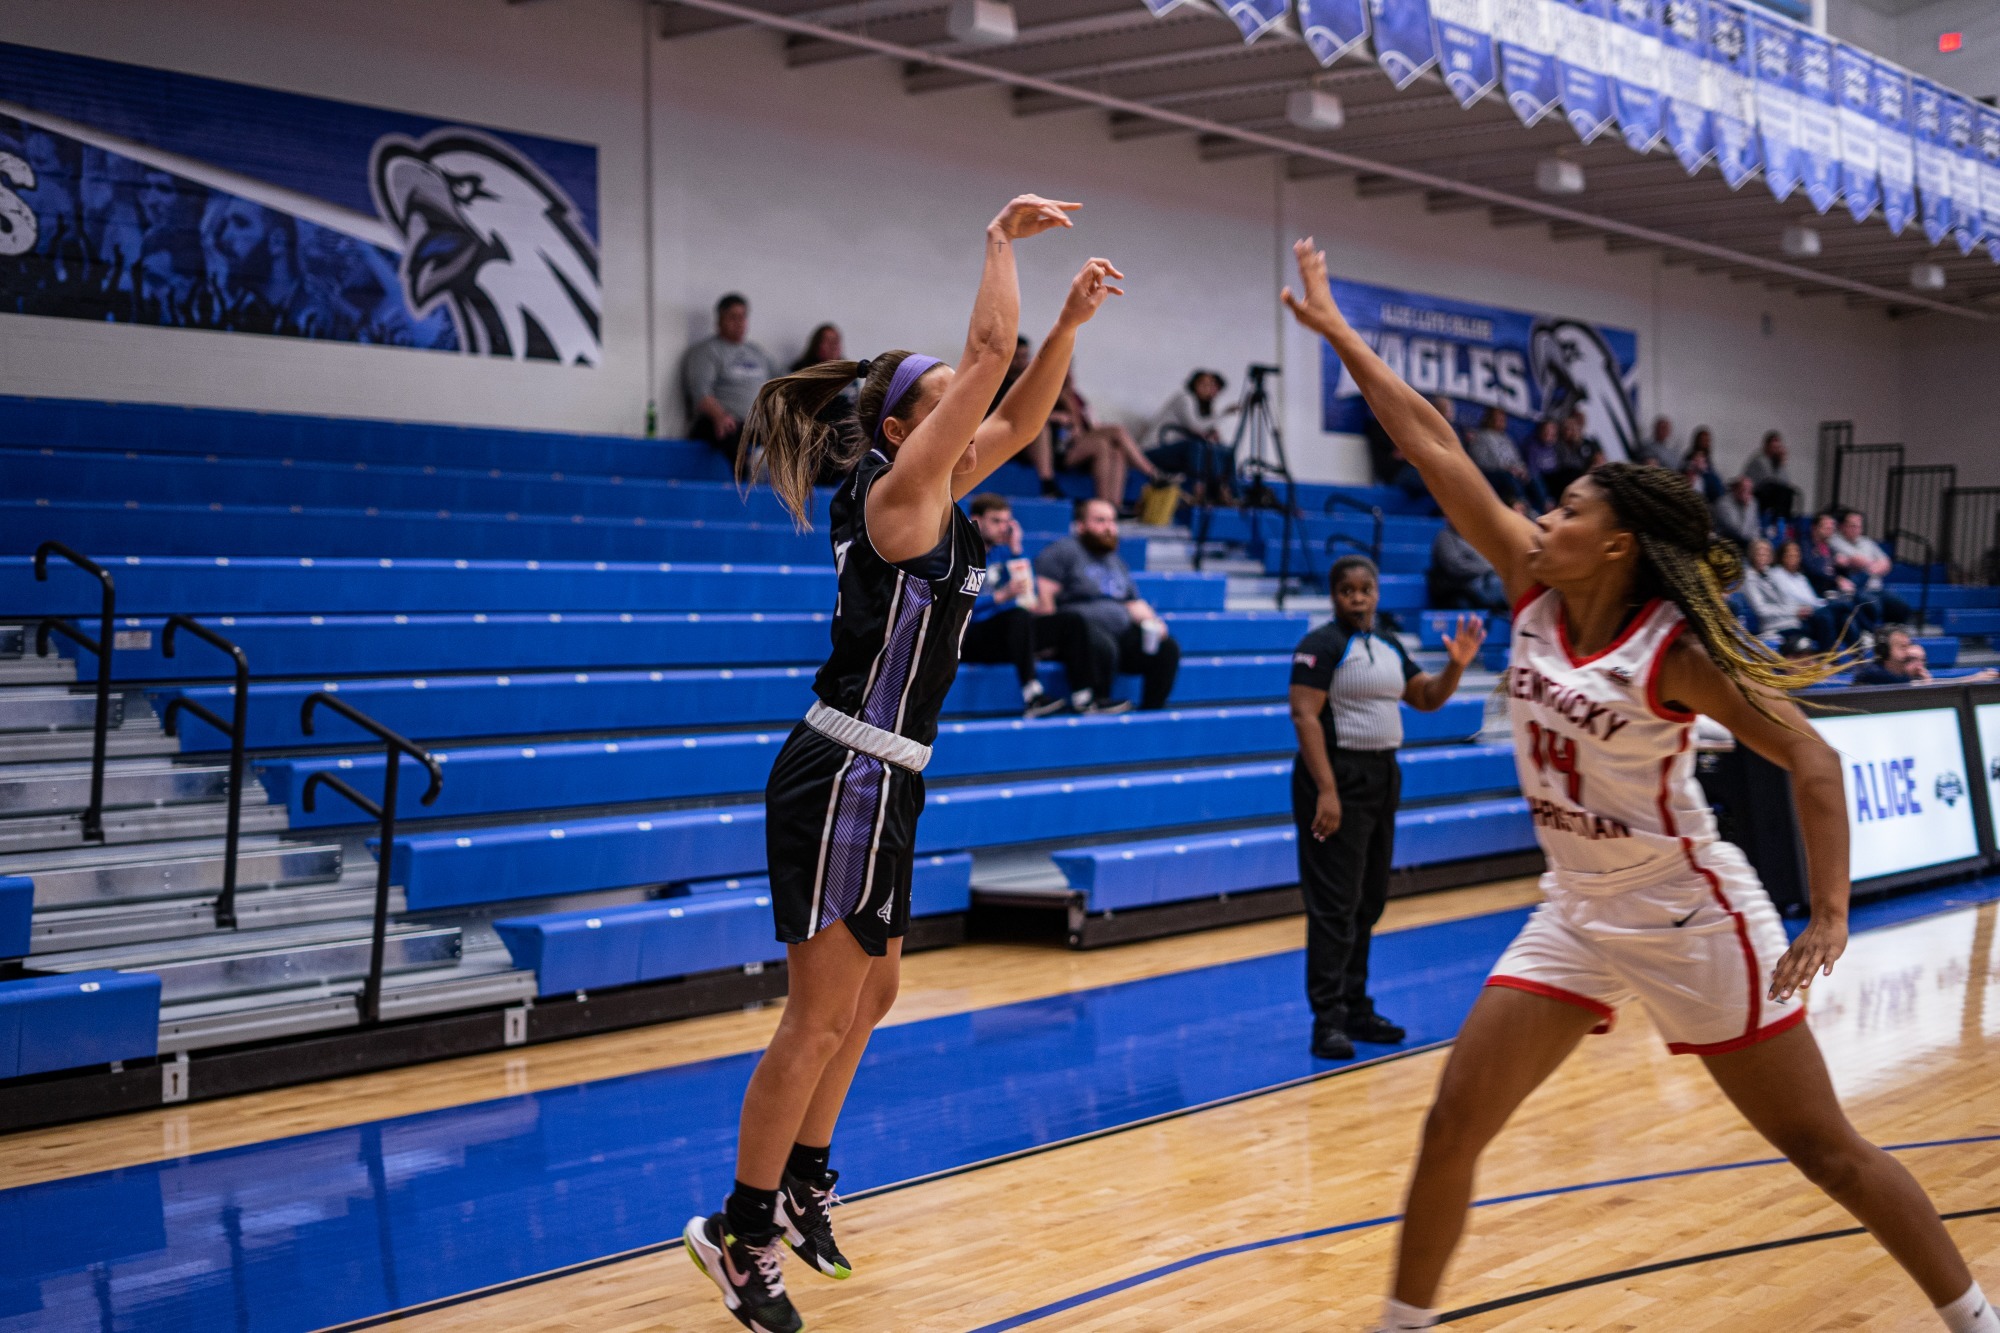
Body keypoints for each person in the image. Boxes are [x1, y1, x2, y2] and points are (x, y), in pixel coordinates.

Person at [1279, 235, 1996, 1333]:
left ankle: (1972, 1318)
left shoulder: (1673, 654)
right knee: (1452, 1121)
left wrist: (1831, 910)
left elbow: (1813, 759)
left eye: (1569, 512)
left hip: (1688, 915)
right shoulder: (1528, 585)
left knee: (1825, 1151)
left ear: (1616, 547)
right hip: (1576, 911)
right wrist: (1337, 332)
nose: (1545, 521)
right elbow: (1430, 444)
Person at [682, 195, 1122, 1333]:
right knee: (816, 1016)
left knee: (874, 993)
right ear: (898, 429)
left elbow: (1017, 413)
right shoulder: (897, 498)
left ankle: (801, 1180)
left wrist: (1069, 326)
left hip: (889, 775)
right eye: (943, 402)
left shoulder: (940, 494)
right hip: (843, 772)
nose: (968, 407)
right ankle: (739, 1229)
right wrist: (998, 244)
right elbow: (989, 357)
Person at [1289, 559, 1484, 1060]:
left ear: (1377, 593)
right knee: (1335, 905)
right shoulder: (1321, 645)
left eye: (1366, 589)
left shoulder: (1389, 645)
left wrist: (1457, 666)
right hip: (1337, 777)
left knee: (1368, 899)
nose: (1357, 598)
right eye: (1347, 590)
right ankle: (1327, 1020)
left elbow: (1426, 698)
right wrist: (1326, 790)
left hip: (1382, 776)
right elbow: (1304, 715)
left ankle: (1356, 1007)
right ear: (1334, 596)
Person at [962, 493, 1112, 717]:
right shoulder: (962, 553)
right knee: (1018, 616)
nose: (1003, 528)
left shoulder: (1005, 552)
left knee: (1071, 621)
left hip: (1009, 632)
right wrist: (999, 597)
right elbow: (956, 609)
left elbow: (1028, 596)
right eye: (996, 521)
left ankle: (1085, 697)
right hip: (970, 636)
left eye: (1007, 522)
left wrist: (1016, 549)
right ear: (976, 520)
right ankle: (1032, 695)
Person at [1035, 498, 1180, 710]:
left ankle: (1152, 712)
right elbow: (1045, 597)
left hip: (1119, 636)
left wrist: (1154, 623)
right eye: (1100, 521)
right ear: (1080, 525)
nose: (1108, 528)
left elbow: (1132, 602)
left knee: (1166, 648)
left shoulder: (1115, 561)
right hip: (1079, 637)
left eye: (1112, 521)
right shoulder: (1063, 551)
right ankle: (1098, 702)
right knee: (1103, 643)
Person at [1029, 371, 1162, 506]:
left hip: (1082, 443)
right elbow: (1073, 428)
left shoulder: (1077, 398)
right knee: (1110, 437)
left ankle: (1113, 505)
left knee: (1116, 451)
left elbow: (1091, 425)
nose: (1068, 376)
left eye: (1069, 372)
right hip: (1061, 449)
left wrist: (1070, 399)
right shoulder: (1047, 396)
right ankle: (1152, 473)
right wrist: (1065, 404)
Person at [682, 293, 782, 459]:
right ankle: (740, 474)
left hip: (756, 425)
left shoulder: (756, 352)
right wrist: (720, 415)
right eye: (733, 317)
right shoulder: (708, 351)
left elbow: (783, 379)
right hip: (724, 420)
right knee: (729, 432)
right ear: (720, 321)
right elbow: (701, 394)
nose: (739, 322)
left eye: (743, 317)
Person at [1143, 369, 1237, 503]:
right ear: (1194, 384)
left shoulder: (1204, 408)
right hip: (1155, 450)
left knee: (1224, 450)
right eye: (1204, 384)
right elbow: (1196, 426)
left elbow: (1204, 432)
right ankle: (1197, 491)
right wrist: (1223, 414)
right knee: (1197, 446)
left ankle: (1231, 493)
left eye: (1211, 386)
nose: (1208, 389)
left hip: (1179, 452)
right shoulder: (1184, 398)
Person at [1465, 406, 1547, 509]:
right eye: (1498, 419)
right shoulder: (1480, 437)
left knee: (1531, 475)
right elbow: (1481, 461)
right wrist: (1506, 468)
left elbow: (1516, 458)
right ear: (1490, 419)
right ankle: (1523, 507)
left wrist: (1521, 469)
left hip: (1511, 471)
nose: (1501, 422)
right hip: (1492, 474)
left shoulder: (1506, 438)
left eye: (1503, 420)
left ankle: (1546, 505)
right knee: (1508, 476)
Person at [1427, 518, 1508, 614]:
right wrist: (1486, 568)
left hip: (1484, 581)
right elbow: (1455, 567)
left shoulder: (1474, 537)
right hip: (1462, 586)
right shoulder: (1445, 537)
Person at [1829, 509, 1894, 592]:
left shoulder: (1867, 541)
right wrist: (1875, 564)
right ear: (1843, 526)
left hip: (1876, 588)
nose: (1857, 529)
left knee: (1897, 600)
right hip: (1855, 588)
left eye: (1859, 526)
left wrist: (1867, 566)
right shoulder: (1835, 540)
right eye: (1853, 526)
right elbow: (1858, 560)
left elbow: (1887, 563)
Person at [1743, 430, 1803, 519]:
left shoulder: (1777, 463)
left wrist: (1782, 464)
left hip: (1770, 493)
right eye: (1773, 447)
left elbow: (1785, 482)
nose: (1776, 451)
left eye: (1778, 448)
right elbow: (1770, 480)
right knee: (1778, 491)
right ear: (1766, 447)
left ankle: (1783, 520)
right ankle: (1777, 519)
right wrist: (1779, 464)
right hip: (1755, 493)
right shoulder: (1759, 460)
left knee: (1789, 492)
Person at [1712, 473, 1763, 549]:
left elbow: (1756, 527)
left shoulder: (1753, 502)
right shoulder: (1723, 504)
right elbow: (1740, 532)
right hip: (1726, 544)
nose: (1748, 494)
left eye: (1750, 490)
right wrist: (1746, 507)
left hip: (1747, 544)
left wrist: (1756, 542)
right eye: (1744, 490)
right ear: (1735, 489)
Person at [1679, 434, 1725, 504]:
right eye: (1703, 440)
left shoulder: (1708, 461)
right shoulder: (1689, 458)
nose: (1705, 443)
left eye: (1707, 441)